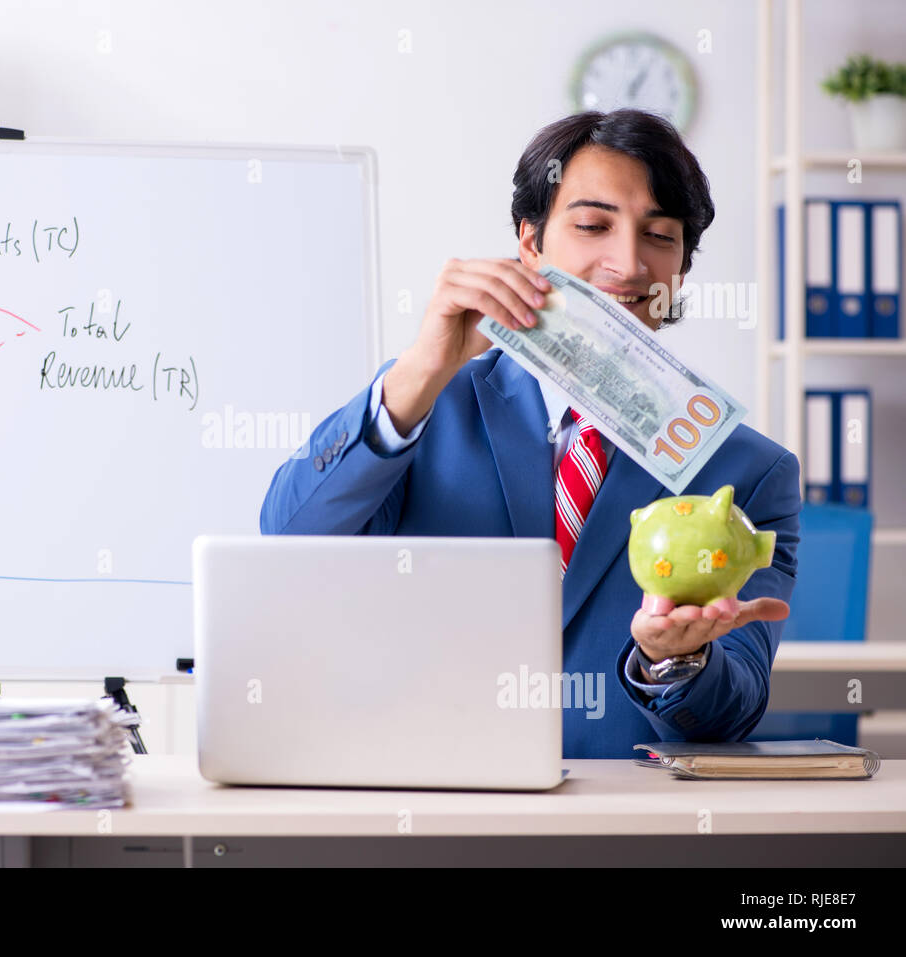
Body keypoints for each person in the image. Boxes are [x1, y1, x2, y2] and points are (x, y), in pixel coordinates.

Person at [259, 109, 800, 759]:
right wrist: (417, 375)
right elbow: (285, 544)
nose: (627, 263)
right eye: (593, 225)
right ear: (530, 244)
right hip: (430, 807)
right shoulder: (419, 410)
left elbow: (731, 712)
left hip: (627, 830)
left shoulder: (750, 472)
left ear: (681, 269)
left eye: (659, 235)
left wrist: (674, 660)